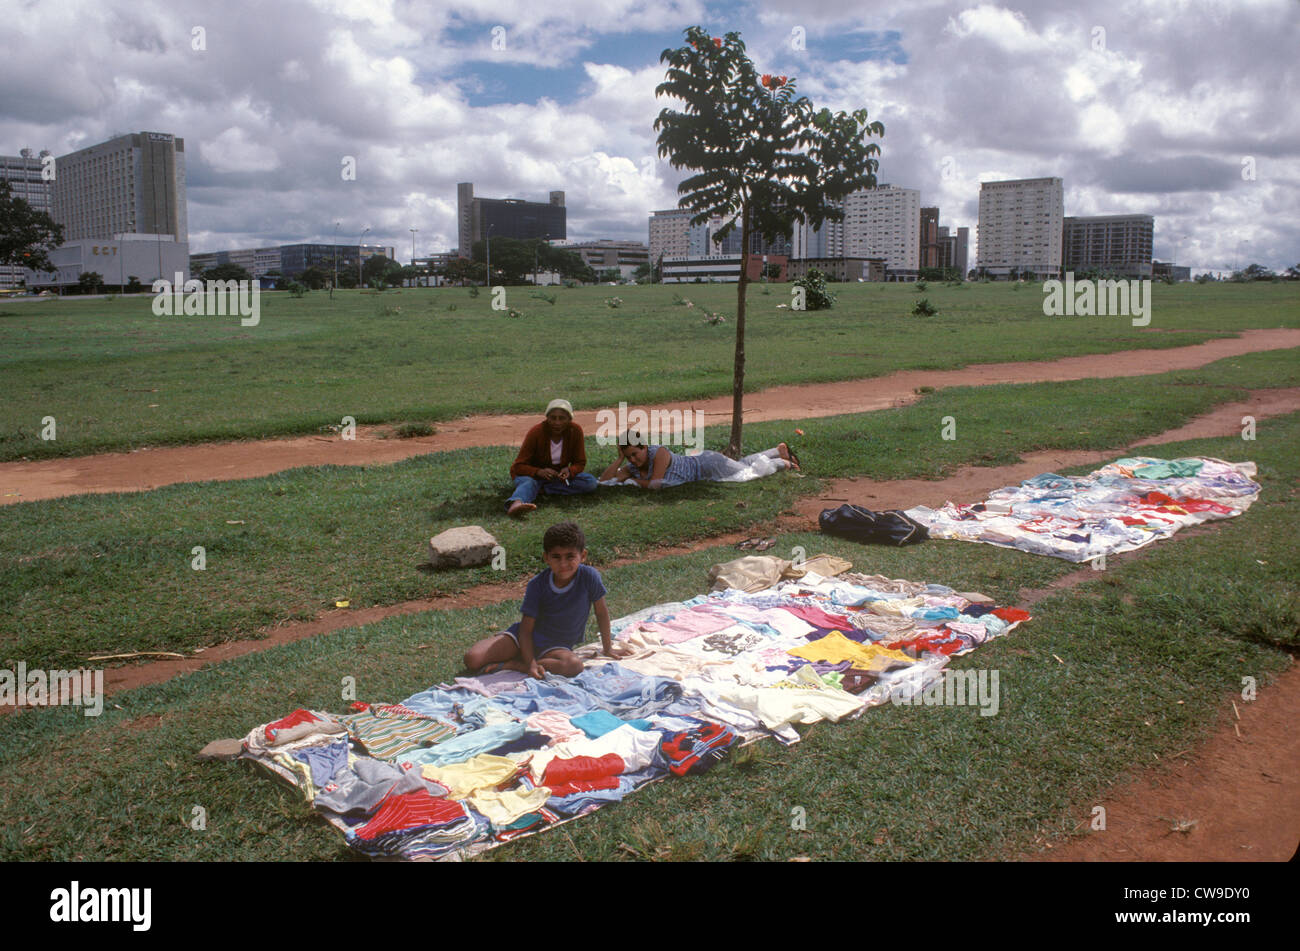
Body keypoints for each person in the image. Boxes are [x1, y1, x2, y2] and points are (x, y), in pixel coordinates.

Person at [463, 521, 613, 678]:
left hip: (556, 646)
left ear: (582, 556)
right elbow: (526, 630)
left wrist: (607, 648)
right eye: (556, 557)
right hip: (523, 639)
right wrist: (531, 663)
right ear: (546, 558)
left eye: (570, 556)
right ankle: (520, 657)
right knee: (472, 659)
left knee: (574, 666)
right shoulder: (537, 584)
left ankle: (516, 665)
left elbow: (601, 612)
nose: (563, 564)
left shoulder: (589, 577)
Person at [505, 398, 598, 517]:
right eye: (553, 418)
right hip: (531, 475)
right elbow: (518, 467)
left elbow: (580, 462)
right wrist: (538, 472)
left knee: (590, 482)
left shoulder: (575, 431)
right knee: (528, 482)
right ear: (547, 418)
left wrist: (569, 471)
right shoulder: (536, 432)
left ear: (569, 419)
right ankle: (516, 504)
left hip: (555, 477)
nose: (557, 423)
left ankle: (540, 490)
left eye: (562, 418)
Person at [599, 434, 799, 488]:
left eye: (636, 454)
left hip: (707, 464)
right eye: (629, 457)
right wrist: (619, 460)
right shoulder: (632, 467)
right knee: (742, 467)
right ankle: (777, 451)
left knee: (746, 475)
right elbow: (604, 482)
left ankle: (784, 463)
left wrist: (631, 482)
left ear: (644, 447)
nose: (633, 460)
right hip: (705, 467)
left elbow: (656, 484)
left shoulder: (658, 453)